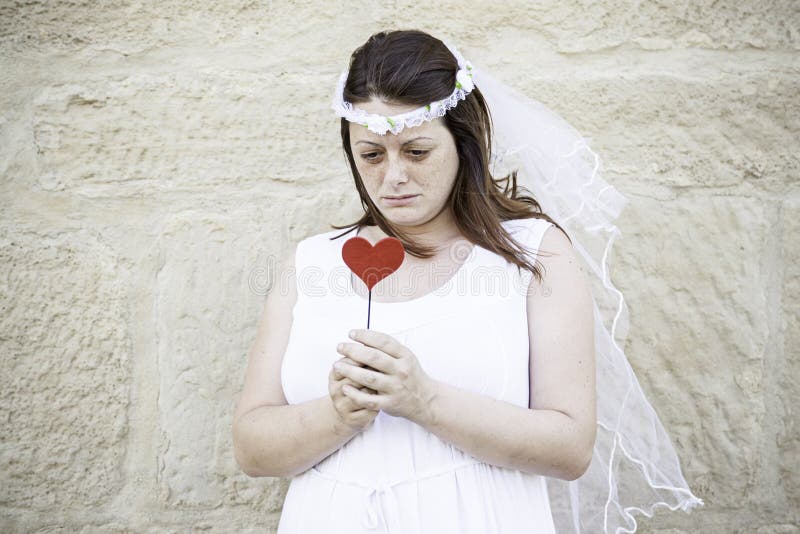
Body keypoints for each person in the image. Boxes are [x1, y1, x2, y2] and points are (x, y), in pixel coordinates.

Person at [232, 29, 703, 534]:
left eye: (416, 151)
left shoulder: (533, 253)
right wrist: (337, 415)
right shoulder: (310, 263)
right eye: (372, 155)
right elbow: (251, 447)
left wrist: (424, 400)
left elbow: (570, 449)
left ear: (464, 143)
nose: (393, 176)